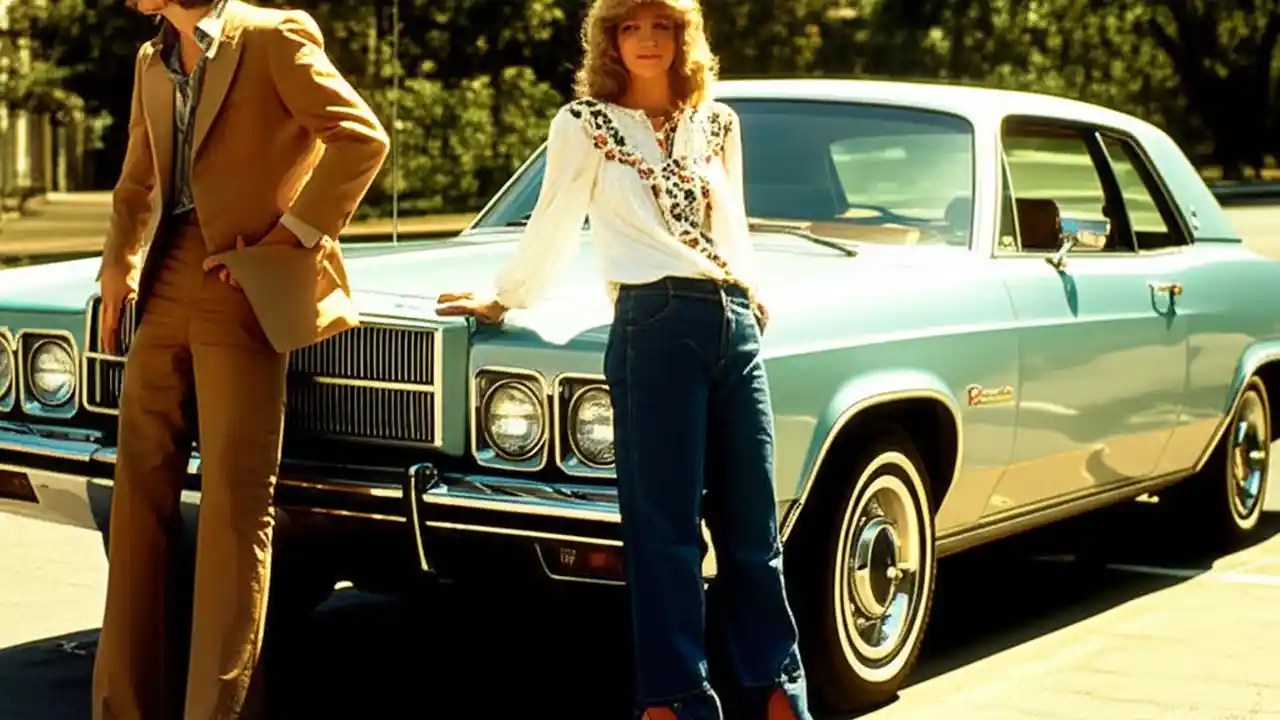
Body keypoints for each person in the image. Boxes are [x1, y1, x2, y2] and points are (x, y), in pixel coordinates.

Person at [435, 1, 810, 717]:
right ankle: (675, 700)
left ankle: (774, 690)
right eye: (630, 27)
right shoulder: (585, 124)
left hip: (732, 321)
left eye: (661, 26)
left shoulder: (719, 122)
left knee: (753, 528)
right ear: (610, 40)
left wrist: (755, 293)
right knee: (664, 530)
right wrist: (506, 296)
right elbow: (554, 216)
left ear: (682, 36)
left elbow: (734, 226)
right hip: (654, 322)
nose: (646, 40)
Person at [92, 0, 388, 717]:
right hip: (163, 283)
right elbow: (138, 182)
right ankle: (124, 707)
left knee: (232, 502)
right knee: (138, 493)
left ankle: (216, 711)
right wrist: (116, 269)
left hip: (242, 278)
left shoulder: (273, 36)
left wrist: (291, 238)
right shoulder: (149, 60)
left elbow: (359, 139)